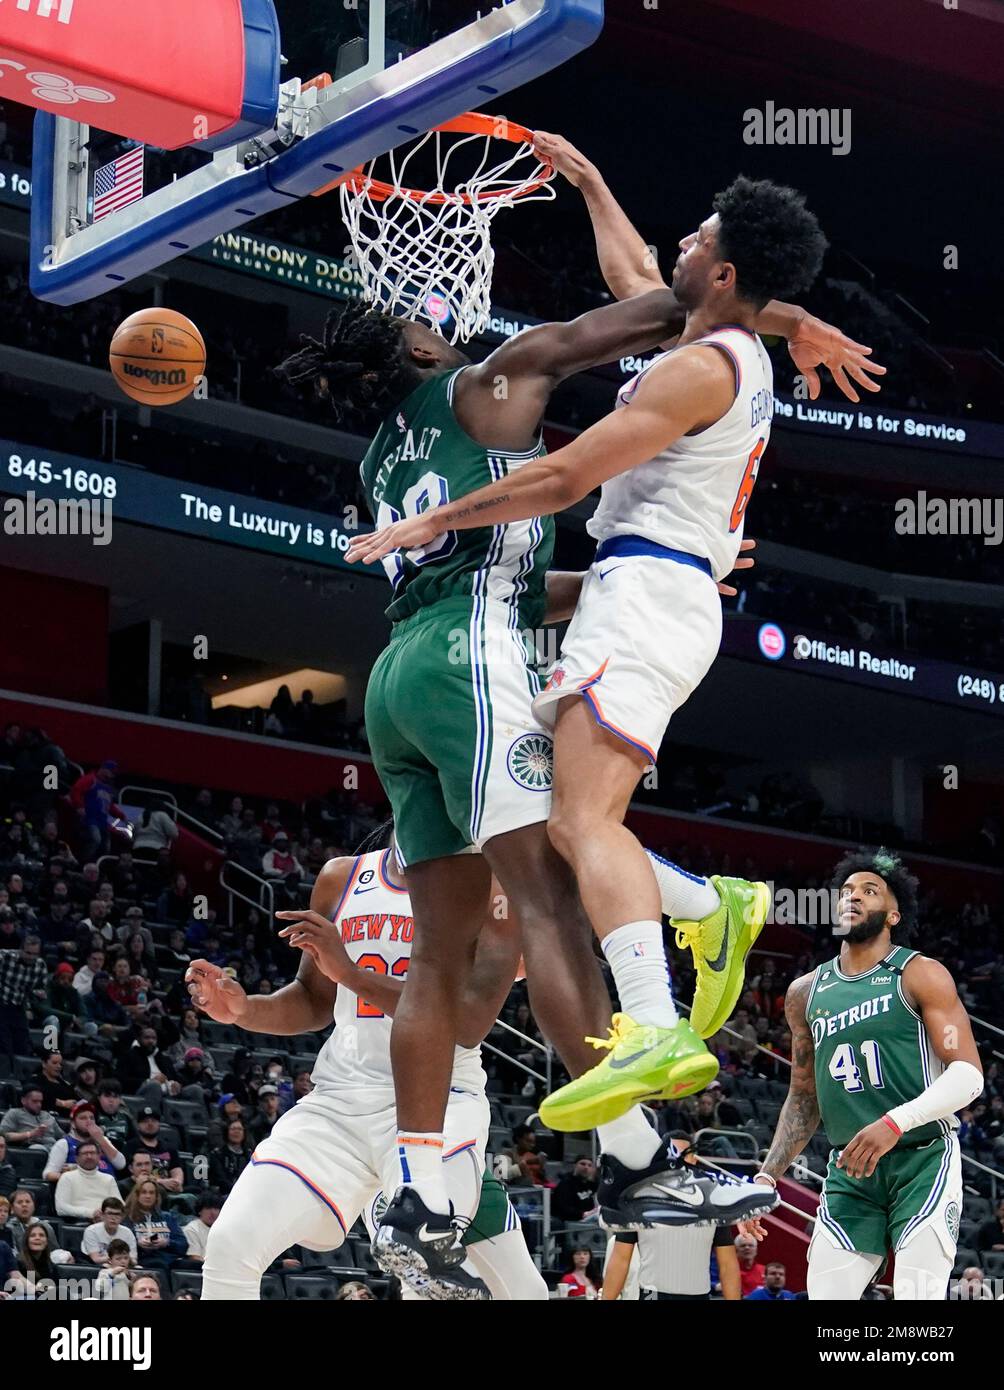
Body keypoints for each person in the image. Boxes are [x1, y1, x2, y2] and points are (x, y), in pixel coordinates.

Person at [188, 827, 548, 1302]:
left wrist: (352, 974)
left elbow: (467, 1023)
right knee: (231, 1243)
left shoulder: (494, 888)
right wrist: (243, 1010)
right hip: (340, 1101)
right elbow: (315, 1000)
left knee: (439, 1267)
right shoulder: (342, 878)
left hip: (440, 1105)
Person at [742, 849, 984, 1301]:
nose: (853, 896)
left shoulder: (919, 973)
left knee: (919, 1294)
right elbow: (803, 1097)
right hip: (850, 1166)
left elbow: (969, 1075)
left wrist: (895, 1123)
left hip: (922, 1155)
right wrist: (766, 1177)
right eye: (847, 890)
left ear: (893, 914)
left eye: (869, 890)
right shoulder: (805, 992)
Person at [603, 1134, 742, 1300]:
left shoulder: (713, 1201)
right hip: (652, 1295)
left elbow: (727, 1264)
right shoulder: (639, 1198)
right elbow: (620, 1258)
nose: (678, 1160)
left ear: (694, 1159)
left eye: (684, 1154)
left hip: (698, 1296)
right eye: (673, 1154)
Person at [44, 1099, 126, 1180]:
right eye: (83, 1118)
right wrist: (71, 1174)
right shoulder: (64, 1143)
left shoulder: (103, 1140)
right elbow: (47, 1174)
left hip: (108, 1188)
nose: (89, 1121)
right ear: (73, 1124)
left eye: (91, 1118)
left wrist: (100, 1140)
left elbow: (121, 1164)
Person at [0, 930, 48, 1058]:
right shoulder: (5, 956)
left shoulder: (40, 965)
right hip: (2, 1003)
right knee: (4, 1044)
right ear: (20, 950)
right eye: (28, 953)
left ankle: (20, 1076)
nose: (31, 957)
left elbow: (40, 987)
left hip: (19, 1007)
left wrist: (39, 994)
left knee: (22, 1045)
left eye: (35, 954)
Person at [123, 1178, 186, 1271]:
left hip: (170, 1260)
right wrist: (137, 1243)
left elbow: (183, 1245)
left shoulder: (167, 1217)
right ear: (137, 1195)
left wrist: (167, 1243)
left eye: (151, 1193)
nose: (148, 1196)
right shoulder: (128, 1218)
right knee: (158, 1264)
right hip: (142, 1260)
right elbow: (121, 1245)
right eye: (144, 1192)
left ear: (156, 1196)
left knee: (196, 1265)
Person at [54, 1138, 121, 1219]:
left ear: (99, 1156)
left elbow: (119, 1205)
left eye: (92, 1153)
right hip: (77, 1223)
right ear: (77, 1158)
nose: (89, 1156)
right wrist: (92, 1213)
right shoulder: (66, 1177)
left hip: (106, 1222)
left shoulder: (109, 1179)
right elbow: (61, 1208)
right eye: (85, 1153)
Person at [125, 1108, 184, 1195]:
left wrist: (177, 1182)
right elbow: (133, 1176)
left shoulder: (169, 1147)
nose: (150, 1124)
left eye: (154, 1121)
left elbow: (176, 1169)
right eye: (145, 1121)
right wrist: (161, 1182)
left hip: (169, 1188)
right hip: (144, 1190)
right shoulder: (130, 1146)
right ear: (138, 1125)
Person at [1, 1083, 64, 1151]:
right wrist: (30, 1134)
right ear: (23, 1101)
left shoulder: (47, 1116)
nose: (39, 1105)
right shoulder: (14, 1113)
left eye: (40, 1101)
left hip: (55, 1148)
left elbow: (63, 1137)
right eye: (35, 1101)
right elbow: (3, 1135)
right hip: (33, 1149)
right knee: (38, 1149)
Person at [82, 1196, 138, 1266]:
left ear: (122, 1216)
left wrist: (121, 1259)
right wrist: (119, 1258)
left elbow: (134, 1260)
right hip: (99, 1267)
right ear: (102, 1215)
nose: (113, 1218)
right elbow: (96, 1259)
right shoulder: (91, 1231)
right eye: (110, 1213)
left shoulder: (128, 1233)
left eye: (117, 1214)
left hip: (123, 1267)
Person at [208, 1117, 251, 1195]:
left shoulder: (249, 1154)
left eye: (240, 1129)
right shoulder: (218, 1154)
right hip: (224, 1193)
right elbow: (220, 1178)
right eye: (233, 1129)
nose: (236, 1132)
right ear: (226, 1132)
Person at [551, 1156, 599, 1224]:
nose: (586, 1167)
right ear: (575, 1165)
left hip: (588, 1219)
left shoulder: (591, 1185)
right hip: (571, 1221)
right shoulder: (565, 1184)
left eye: (589, 1165)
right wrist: (583, 1214)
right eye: (582, 1164)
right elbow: (563, 1208)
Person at [182, 1192, 222, 1263]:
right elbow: (194, 1257)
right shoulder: (191, 1229)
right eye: (208, 1208)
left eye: (216, 1208)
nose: (212, 1212)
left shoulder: (224, 1229)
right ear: (200, 1211)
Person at [735, 1232, 767, 1298]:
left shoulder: (764, 1270)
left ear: (756, 1250)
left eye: (750, 1245)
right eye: (743, 1245)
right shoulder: (728, 1270)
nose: (747, 1248)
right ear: (736, 1250)